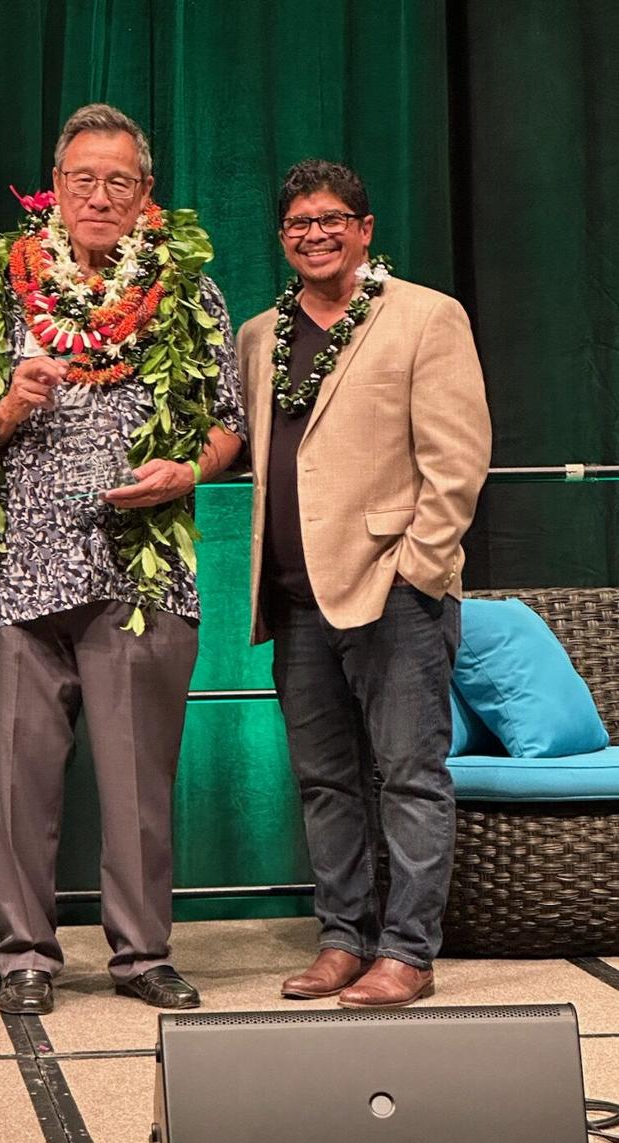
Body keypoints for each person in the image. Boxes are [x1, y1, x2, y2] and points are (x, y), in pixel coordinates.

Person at [0, 103, 244, 1015]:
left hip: (141, 567)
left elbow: (230, 423)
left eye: (119, 180)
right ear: (55, 186)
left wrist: (186, 470)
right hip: (22, 564)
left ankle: (142, 952)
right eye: (83, 178)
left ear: (145, 193)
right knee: (16, 778)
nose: (100, 195)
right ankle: (27, 954)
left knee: (136, 781)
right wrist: (6, 409)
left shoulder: (189, 290)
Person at [237, 159, 491, 1008]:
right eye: (300, 223)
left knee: (410, 775)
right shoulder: (259, 334)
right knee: (324, 781)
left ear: (365, 227)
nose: (316, 234)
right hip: (296, 595)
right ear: (283, 239)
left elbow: (456, 463)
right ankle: (343, 939)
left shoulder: (424, 317)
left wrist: (417, 570)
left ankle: (408, 952)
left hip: (394, 591)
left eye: (332, 218)